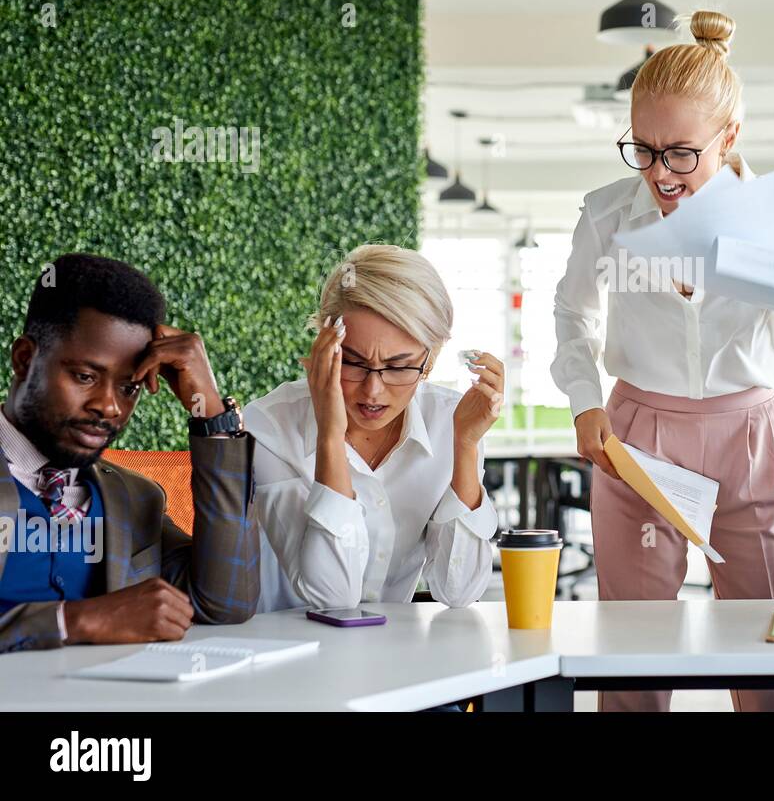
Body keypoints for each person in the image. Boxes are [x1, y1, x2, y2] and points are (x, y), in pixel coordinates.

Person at [552, 9, 774, 712]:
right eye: (643, 149)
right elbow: (572, 311)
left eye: (682, 153)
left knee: (768, 654)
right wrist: (584, 399)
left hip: (749, 434)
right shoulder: (606, 215)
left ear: (729, 138)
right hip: (637, 437)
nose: (660, 173)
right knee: (631, 657)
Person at [0, 253, 257, 653]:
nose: (109, 406)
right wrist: (75, 620)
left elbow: (226, 602)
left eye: (129, 387)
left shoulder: (135, 499)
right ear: (24, 360)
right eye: (85, 377)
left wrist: (211, 412)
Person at [246, 244, 502, 612]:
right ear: (323, 345)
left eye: (399, 367)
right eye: (352, 362)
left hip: (393, 655)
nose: (373, 391)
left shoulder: (452, 422)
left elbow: (459, 592)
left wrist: (466, 444)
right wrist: (330, 437)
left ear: (431, 359)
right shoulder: (271, 428)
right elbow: (331, 599)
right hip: (284, 653)